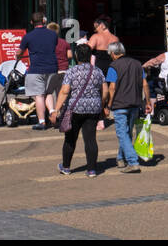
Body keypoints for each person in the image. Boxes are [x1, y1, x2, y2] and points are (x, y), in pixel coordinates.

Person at [51, 42, 106, 176]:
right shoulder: (98, 71)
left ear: (76, 56)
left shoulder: (72, 71)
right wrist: (102, 105)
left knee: (70, 138)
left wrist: (56, 110)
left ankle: (66, 167)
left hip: (75, 109)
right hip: (93, 108)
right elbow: (105, 91)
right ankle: (92, 169)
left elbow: (64, 91)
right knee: (90, 139)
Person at [103, 41, 151, 172]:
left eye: (110, 54)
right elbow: (145, 84)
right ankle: (120, 158)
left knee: (122, 134)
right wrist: (148, 102)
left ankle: (132, 161)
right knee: (127, 133)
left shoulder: (114, 66)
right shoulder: (137, 64)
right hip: (135, 104)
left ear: (113, 53)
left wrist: (108, 105)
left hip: (119, 105)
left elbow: (112, 87)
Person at [16, 13, 61, 129]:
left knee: (39, 96)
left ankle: (41, 122)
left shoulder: (28, 36)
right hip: (52, 67)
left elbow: (19, 52)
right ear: (44, 21)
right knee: (48, 92)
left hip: (36, 68)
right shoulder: (53, 34)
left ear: (32, 22)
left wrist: (18, 56)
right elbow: (54, 45)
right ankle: (52, 112)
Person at [87, 17, 120, 131]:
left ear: (102, 25)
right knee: (109, 90)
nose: (95, 29)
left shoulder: (96, 37)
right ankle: (106, 111)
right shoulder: (115, 38)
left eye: (96, 26)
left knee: (97, 92)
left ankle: (99, 119)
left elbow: (86, 50)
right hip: (112, 67)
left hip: (98, 67)